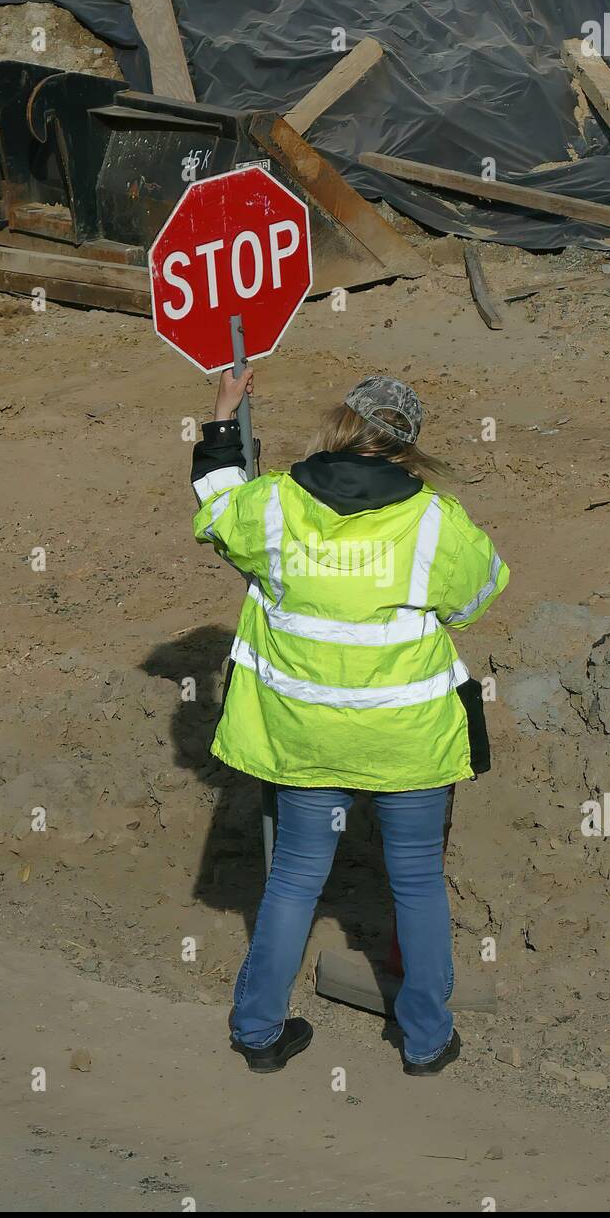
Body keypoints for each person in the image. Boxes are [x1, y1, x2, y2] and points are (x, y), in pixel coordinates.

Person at [191, 371, 509, 1075]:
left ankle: (259, 1033)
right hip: (408, 739)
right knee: (418, 879)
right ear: (406, 446)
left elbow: (216, 510)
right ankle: (425, 1043)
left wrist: (221, 424)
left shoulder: (273, 504)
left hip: (304, 735)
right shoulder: (434, 518)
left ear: (340, 424)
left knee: (295, 878)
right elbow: (477, 595)